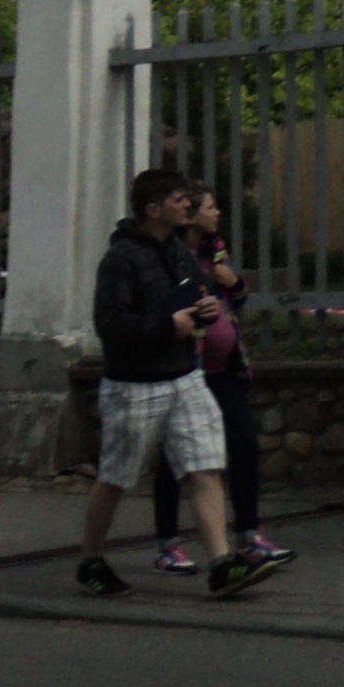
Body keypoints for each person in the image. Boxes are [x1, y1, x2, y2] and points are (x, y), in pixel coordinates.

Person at [76, 167, 280, 601]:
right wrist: (168, 326)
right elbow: (108, 325)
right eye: (178, 199)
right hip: (135, 385)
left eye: (189, 198)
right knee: (115, 476)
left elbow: (196, 290)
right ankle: (91, 560)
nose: (188, 204)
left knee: (205, 466)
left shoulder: (178, 251)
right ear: (153, 209)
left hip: (186, 378)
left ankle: (222, 564)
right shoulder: (121, 260)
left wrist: (206, 306)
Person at [150, 183, 294, 573]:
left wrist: (236, 284)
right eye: (210, 207)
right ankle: (168, 543)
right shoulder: (172, 254)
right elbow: (172, 300)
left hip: (224, 367)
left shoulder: (215, 248)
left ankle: (250, 535)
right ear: (191, 214)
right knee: (174, 458)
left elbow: (236, 297)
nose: (216, 214)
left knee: (244, 444)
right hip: (186, 368)